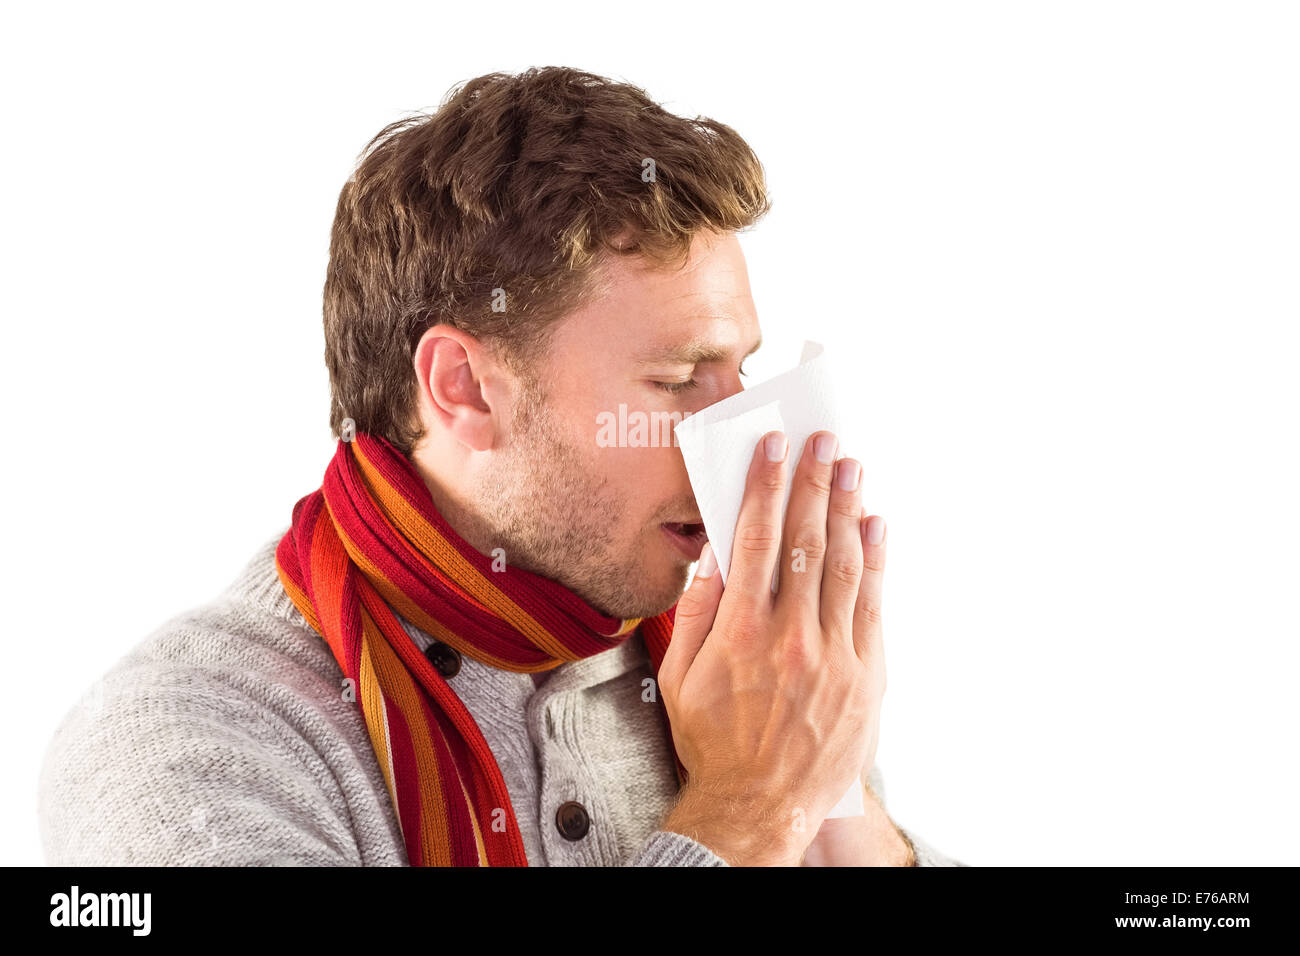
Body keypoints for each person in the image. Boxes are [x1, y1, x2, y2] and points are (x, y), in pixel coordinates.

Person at [38, 66, 964, 867]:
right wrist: (749, 811)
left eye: (744, 373)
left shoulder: (747, 671)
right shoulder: (188, 740)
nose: (748, 440)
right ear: (465, 388)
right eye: (682, 379)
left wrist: (834, 808)